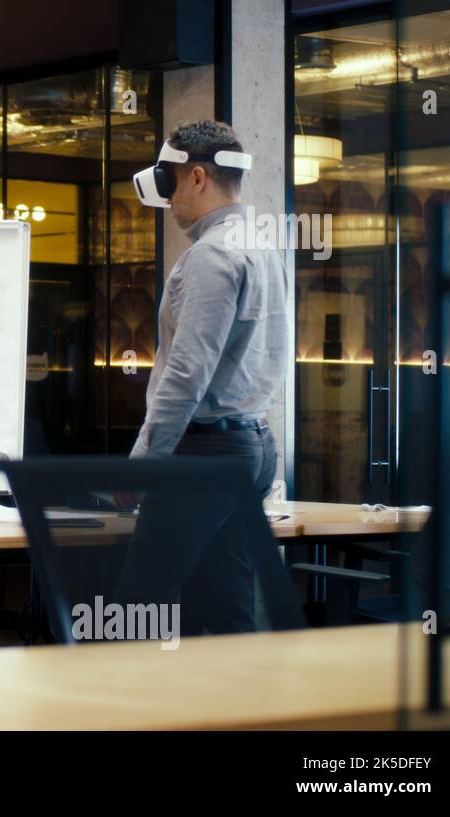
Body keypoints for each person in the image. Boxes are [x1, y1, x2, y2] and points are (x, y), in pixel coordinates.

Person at [114, 120, 290, 634]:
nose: (167, 200)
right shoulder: (262, 247)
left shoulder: (211, 256)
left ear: (196, 178)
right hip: (251, 445)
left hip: (206, 455)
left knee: (133, 610)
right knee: (223, 606)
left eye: (168, 183)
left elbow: (187, 373)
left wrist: (145, 460)